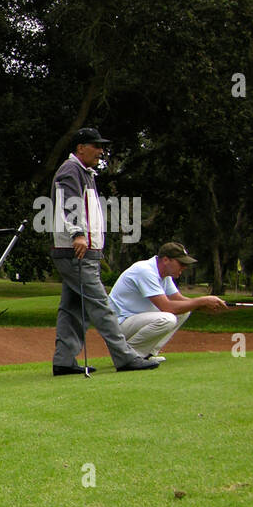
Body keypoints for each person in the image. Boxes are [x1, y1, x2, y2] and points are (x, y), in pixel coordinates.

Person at [48, 127, 158, 375]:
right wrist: (77, 233)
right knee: (102, 306)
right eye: (96, 146)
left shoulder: (85, 172)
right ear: (80, 148)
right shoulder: (70, 170)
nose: (101, 151)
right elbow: (69, 204)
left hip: (81, 253)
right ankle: (125, 357)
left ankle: (63, 361)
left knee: (73, 309)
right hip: (76, 252)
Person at [109, 243, 229, 360]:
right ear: (166, 260)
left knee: (184, 311)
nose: (184, 267)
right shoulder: (145, 271)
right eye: (181, 263)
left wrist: (204, 305)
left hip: (133, 320)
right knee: (168, 318)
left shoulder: (164, 275)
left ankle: (148, 354)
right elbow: (167, 307)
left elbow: (179, 300)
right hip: (118, 324)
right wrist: (202, 301)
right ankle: (128, 355)